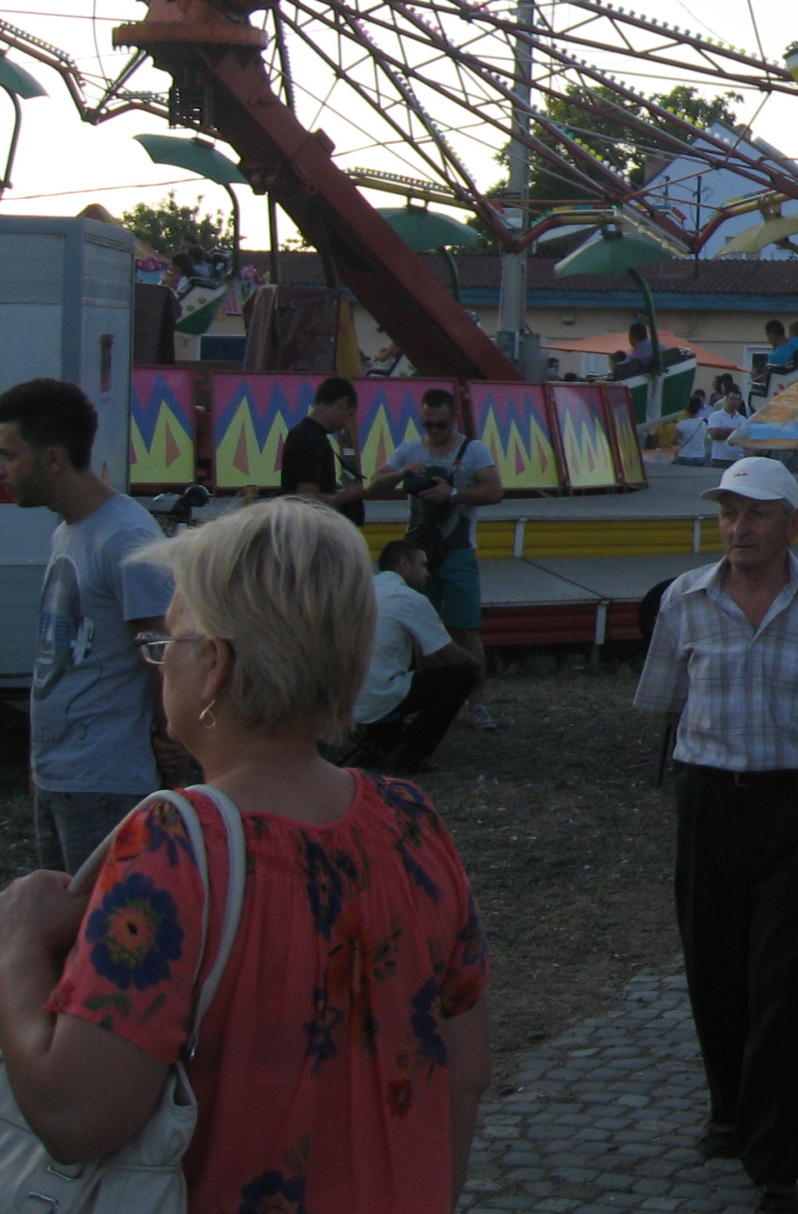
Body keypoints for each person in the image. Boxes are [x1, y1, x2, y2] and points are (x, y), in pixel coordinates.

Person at [0, 497, 488, 1211]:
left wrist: (17, 942)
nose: (160, 668)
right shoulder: (412, 823)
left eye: (165, 647)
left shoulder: (172, 846)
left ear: (215, 668)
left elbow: (77, 1115)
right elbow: (465, 1070)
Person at [634, 456, 798, 1213]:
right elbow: (666, 704)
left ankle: (778, 1160)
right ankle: (729, 1107)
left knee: (783, 981)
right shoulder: (685, 600)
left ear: (793, 523)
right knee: (712, 964)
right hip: (710, 800)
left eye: (754, 514)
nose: (738, 528)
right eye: (728, 514)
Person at [0, 377, 171, 872]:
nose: (3, 470)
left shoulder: (125, 536)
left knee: (102, 937)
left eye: (10, 455)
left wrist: (168, 737)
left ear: (53, 458)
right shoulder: (67, 533)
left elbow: (160, 648)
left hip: (107, 784)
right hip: (62, 778)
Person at [365, 386, 504, 731]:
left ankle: (476, 704)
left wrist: (453, 493)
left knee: (465, 630)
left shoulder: (474, 451)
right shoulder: (411, 448)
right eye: (427, 424)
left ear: (453, 420)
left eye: (440, 425)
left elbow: (495, 491)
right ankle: (425, 700)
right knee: (418, 629)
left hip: (457, 552)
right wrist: (401, 474)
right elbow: (375, 483)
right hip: (417, 552)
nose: (434, 432)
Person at [344, 536, 482, 773]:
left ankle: (379, 746)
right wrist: (477, 665)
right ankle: (411, 754)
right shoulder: (410, 599)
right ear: (404, 565)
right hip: (374, 698)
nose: (427, 574)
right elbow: (451, 656)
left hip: (338, 698)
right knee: (460, 676)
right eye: (423, 565)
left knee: (391, 666)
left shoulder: (358, 591)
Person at [278, 374, 367, 519]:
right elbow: (307, 499)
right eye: (349, 414)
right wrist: (347, 496)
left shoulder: (300, 433)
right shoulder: (312, 440)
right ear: (343, 402)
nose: (346, 423)